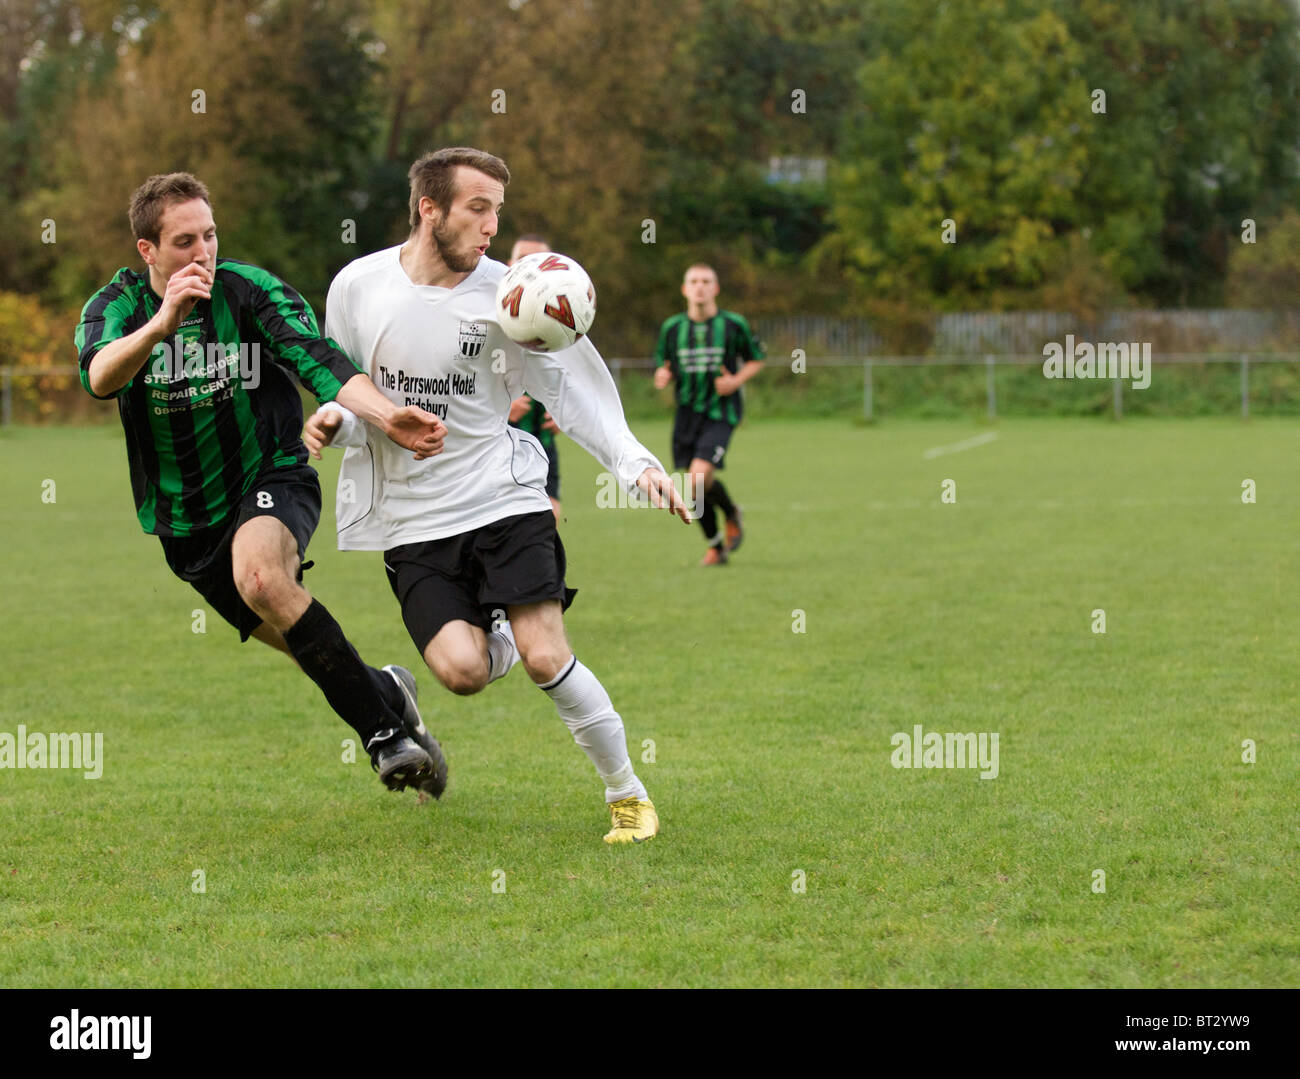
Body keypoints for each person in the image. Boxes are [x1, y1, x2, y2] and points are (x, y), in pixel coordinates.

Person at [303, 147, 690, 843]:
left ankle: (627, 794)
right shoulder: (357, 286)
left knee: (547, 654)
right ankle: (456, 655)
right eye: (478, 209)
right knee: (461, 672)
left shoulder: (514, 294)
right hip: (413, 519)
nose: (491, 228)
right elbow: (348, 389)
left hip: (503, 497)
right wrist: (332, 421)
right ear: (430, 209)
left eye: (498, 212)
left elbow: (576, 393)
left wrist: (637, 466)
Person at [76, 171, 450, 797]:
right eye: (184, 242)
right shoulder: (116, 307)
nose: (203, 254)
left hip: (271, 473)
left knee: (262, 578)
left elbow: (318, 358)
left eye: (211, 236)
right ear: (147, 251)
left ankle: (384, 735)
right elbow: (99, 376)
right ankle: (385, 690)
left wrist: (385, 414)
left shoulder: (247, 291)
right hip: (184, 520)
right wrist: (161, 325)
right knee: (292, 632)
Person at [653, 263, 764, 565]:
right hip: (687, 415)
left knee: (696, 480)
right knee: (699, 482)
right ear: (684, 289)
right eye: (693, 281)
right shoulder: (673, 328)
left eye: (706, 281)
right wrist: (663, 376)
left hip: (721, 412)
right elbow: (665, 365)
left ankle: (723, 528)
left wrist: (735, 381)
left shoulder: (732, 324)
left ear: (715, 288)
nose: (699, 286)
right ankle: (719, 538)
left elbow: (756, 359)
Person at [506, 234, 561, 521]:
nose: (532, 270)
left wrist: (565, 413)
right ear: (508, 265)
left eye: (540, 263)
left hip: (542, 443)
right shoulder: (488, 315)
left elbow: (572, 382)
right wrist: (504, 407)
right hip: (495, 447)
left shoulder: (563, 321)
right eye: (523, 261)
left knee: (548, 518)